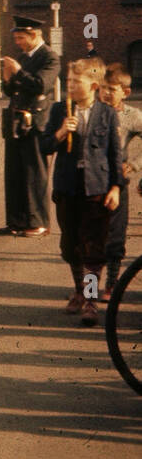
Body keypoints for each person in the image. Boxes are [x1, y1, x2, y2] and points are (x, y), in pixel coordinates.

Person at [40, 58, 123, 326]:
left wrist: (116, 187)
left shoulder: (107, 114)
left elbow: (114, 154)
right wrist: (62, 132)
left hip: (97, 188)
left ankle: (90, 300)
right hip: (68, 187)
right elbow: (44, 146)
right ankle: (79, 289)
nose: (70, 87)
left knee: (94, 248)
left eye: (76, 82)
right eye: (69, 82)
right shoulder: (58, 110)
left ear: (94, 86)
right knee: (70, 245)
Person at [0, 15, 60, 237]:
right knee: (14, 171)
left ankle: (38, 221)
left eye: (21, 38)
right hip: (17, 121)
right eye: (16, 38)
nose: (18, 42)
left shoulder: (49, 57)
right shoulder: (23, 57)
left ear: (34, 35)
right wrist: (7, 79)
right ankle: (16, 220)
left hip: (36, 121)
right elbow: (10, 90)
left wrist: (17, 72)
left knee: (35, 172)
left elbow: (41, 84)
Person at [99, 63, 142, 300]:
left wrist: (134, 164)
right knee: (91, 237)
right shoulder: (92, 110)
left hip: (117, 180)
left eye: (112, 89)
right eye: (103, 88)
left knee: (115, 236)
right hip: (92, 181)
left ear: (125, 92)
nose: (106, 93)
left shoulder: (132, 116)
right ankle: (89, 288)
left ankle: (111, 285)